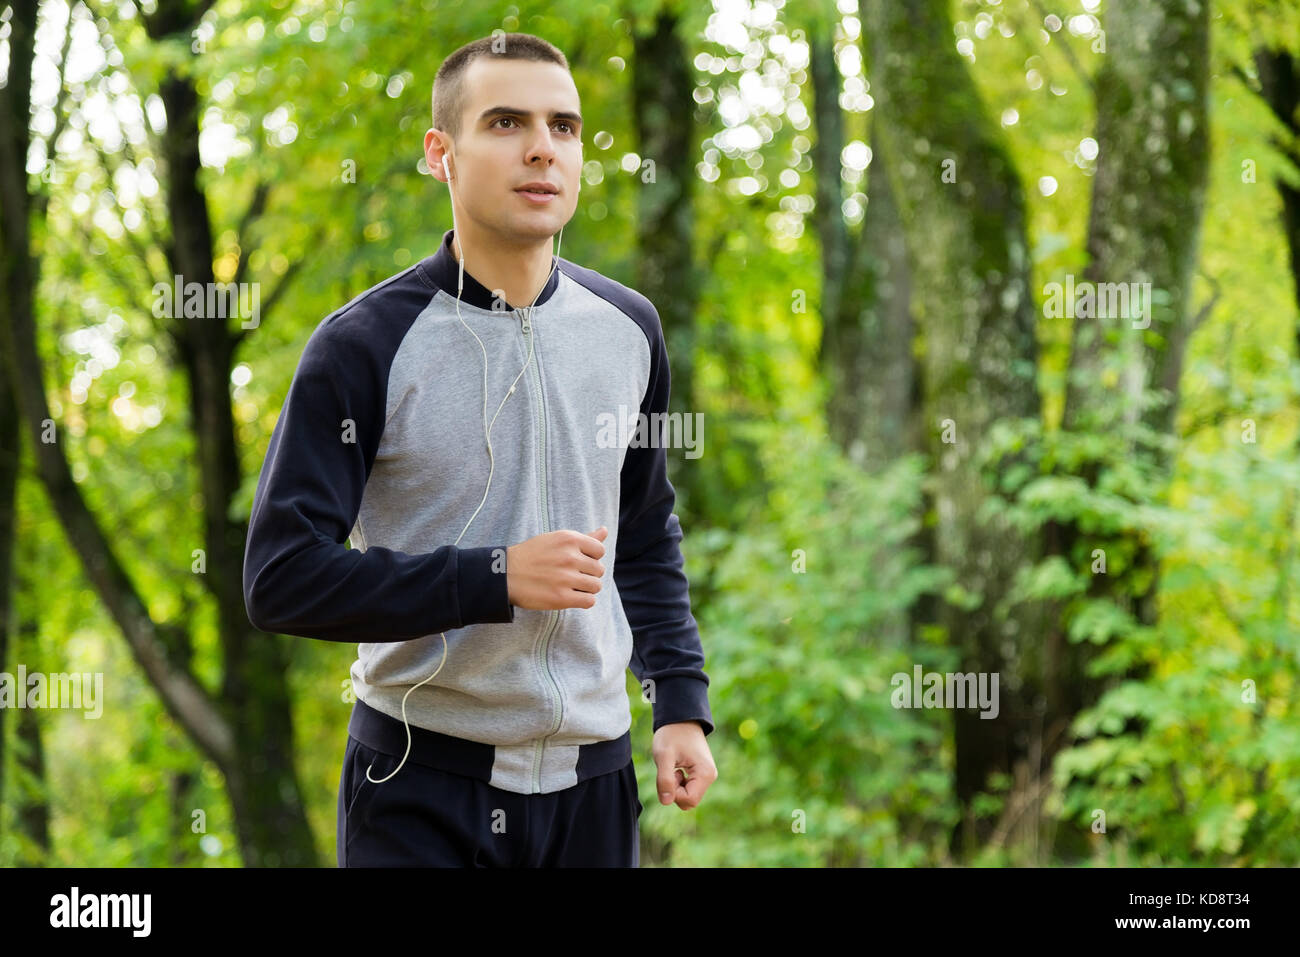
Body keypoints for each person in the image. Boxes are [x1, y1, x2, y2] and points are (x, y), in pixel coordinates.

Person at [241, 32, 717, 867]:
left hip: (594, 791)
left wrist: (678, 700)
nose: (542, 147)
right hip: (418, 784)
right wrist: (491, 576)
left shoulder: (629, 330)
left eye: (564, 127)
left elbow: (642, 530)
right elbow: (280, 577)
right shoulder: (362, 345)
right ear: (441, 153)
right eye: (505, 122)